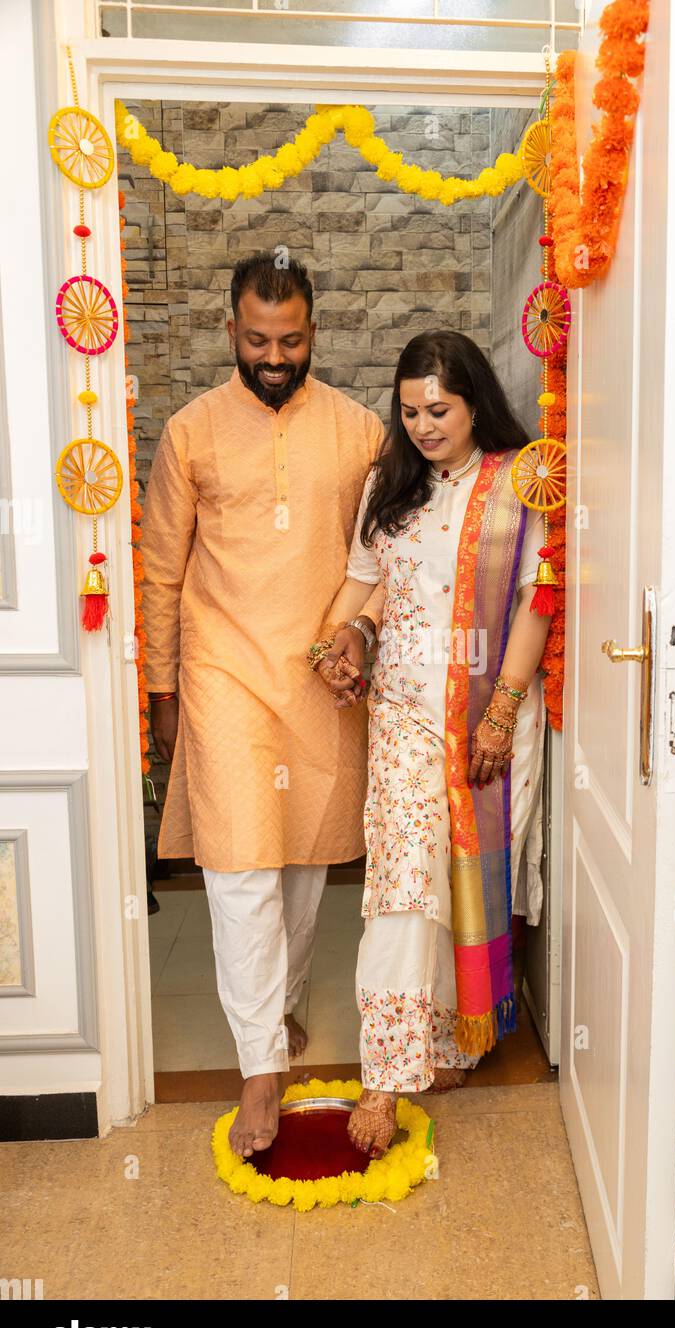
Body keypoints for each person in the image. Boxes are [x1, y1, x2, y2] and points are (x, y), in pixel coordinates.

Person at [140, 253, 385, 1159]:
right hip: (222, 675)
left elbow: (383, 557)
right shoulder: (193, 433)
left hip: (318, 680)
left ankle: (277, 1012)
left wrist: (353, 635)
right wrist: (163, 691)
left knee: (302, 864)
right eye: (256, 340)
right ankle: (258, 1070)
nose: (273, 357)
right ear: (230, 332)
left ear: (313, 332)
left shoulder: (361, 432)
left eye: (289, 340)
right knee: (240, 870)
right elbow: (162, 567)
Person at [311, 329, 552, 1158]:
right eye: (409, 409)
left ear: (475, 400)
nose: (422, 424)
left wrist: (500, 710)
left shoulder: (518, 481)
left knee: (465, 880)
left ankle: (448, 1038)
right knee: (402, 884)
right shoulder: (391, 482)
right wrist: (336, 643)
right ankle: (387, 1071)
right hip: (404, 714)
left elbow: (537, 600)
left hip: (491, 714)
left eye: (439, 409)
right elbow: (366, 587)